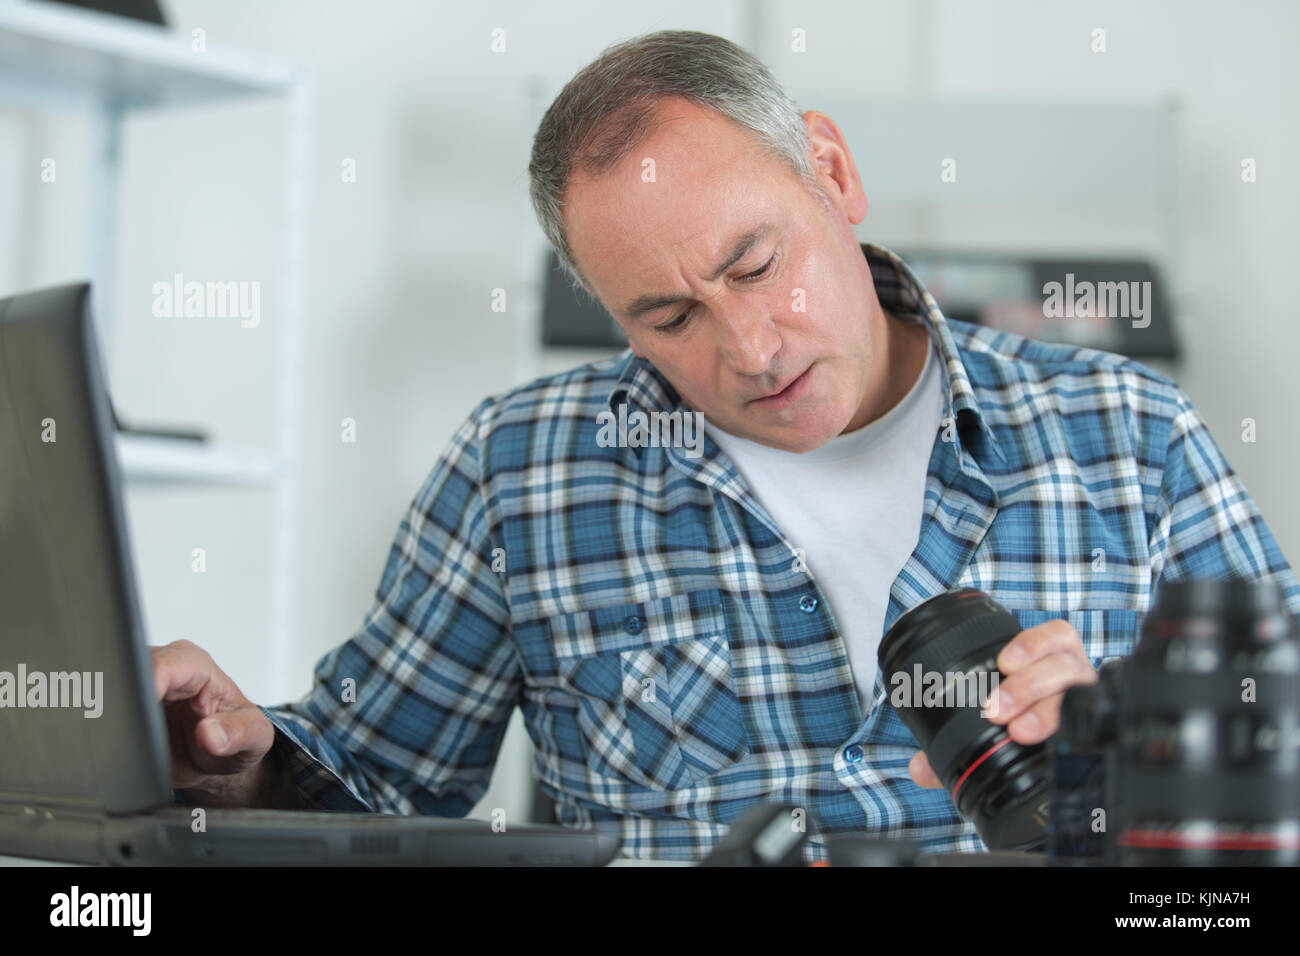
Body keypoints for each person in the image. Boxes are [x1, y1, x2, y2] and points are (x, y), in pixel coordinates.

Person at [151, 30, 1300, 862]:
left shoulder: (1126, 432)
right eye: (668, 316)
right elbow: (371, 785)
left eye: (755, 264)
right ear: (609, 313)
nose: (749, 347)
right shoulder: (523, 470)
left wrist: (1147, 745)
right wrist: (236, 758)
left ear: (832, 173)